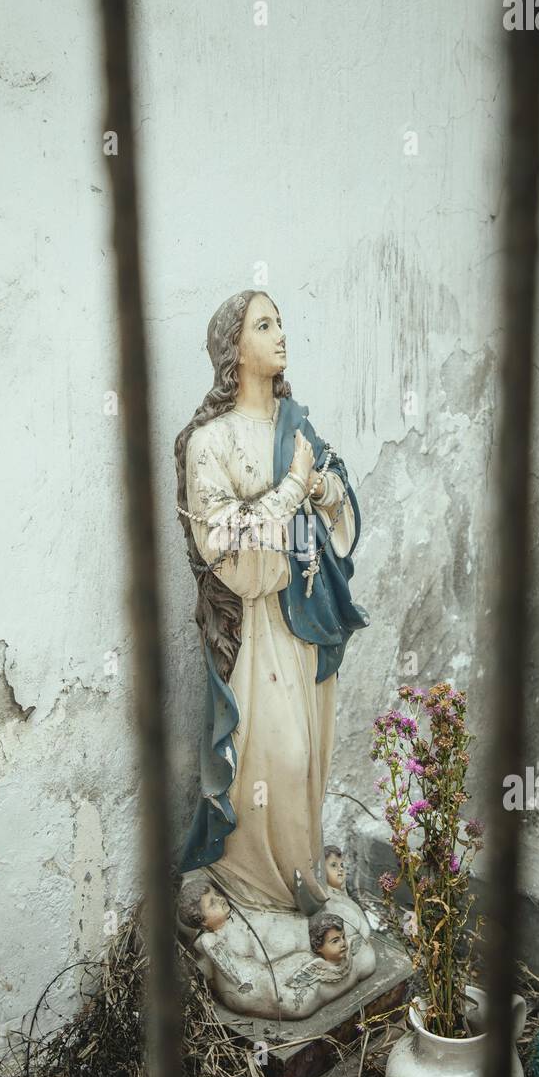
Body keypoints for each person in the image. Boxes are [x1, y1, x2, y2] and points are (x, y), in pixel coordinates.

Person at [174, 290, 369, 916]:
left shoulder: (297, 426)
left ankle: (301, 888)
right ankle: (253, 893)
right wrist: (291, 489)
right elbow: (224, 540)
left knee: (309, 761)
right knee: (274, 762)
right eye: (265, 325)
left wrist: (322, 487)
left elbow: (341, 507)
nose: (281, 334)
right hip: (255, 629)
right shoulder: (211, 442)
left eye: (281, 322)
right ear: (234, 348)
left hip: (306, 619)